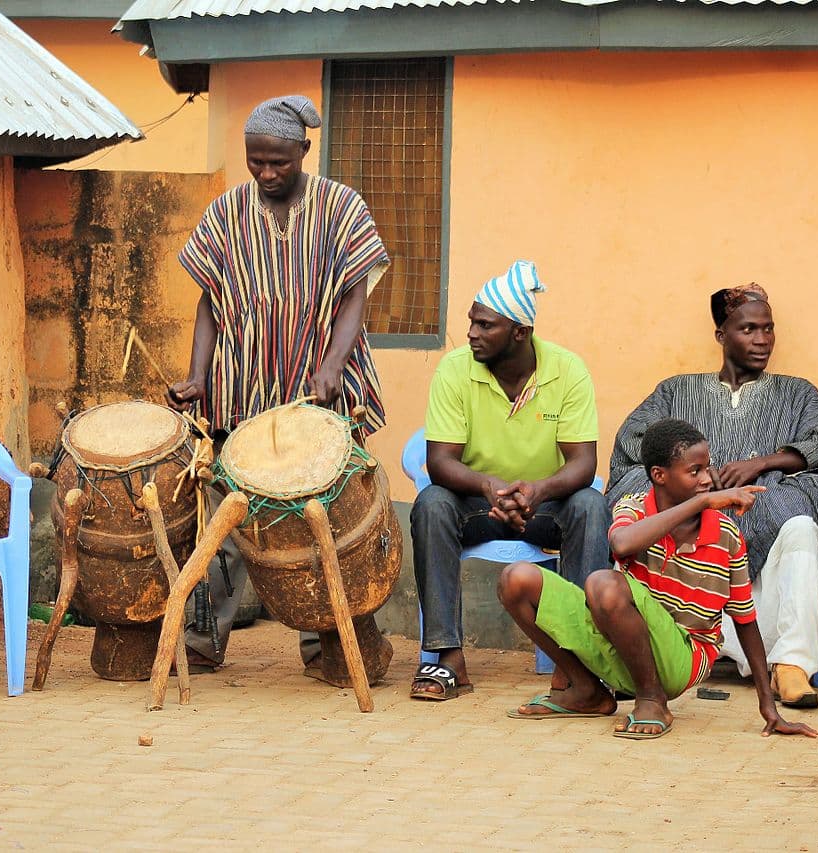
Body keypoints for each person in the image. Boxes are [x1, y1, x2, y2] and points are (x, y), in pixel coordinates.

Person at [167, 95, 390, 675]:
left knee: (323, 511)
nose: (266, 173)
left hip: (322, 386)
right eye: (256, 162)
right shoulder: (225, 213)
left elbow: (354, 297)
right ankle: (203, 636)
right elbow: (210, 302)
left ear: (303, 152)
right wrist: (198, 375)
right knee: (227, 507)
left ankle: (326, 641)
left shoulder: (341, 207)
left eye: (279, 163)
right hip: (243, 385)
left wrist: (334, 364)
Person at [607, 284, 818, 709]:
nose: (762, 339)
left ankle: (791, 666)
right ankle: (651, 659)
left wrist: (762, 465)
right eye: (748, 329)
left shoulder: (797, 393)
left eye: (768, 329)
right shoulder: (676, 391)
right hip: (692, 569)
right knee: (640, 506)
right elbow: (634, 447)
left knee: (802, 528)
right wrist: (696, 491)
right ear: (721, 335)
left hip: (766, 562)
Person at [499, 418, 818, 739]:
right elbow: (621, 544)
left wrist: (768, 706)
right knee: (516, 578)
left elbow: (745, 621)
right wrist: (702, 501)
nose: (707, 479)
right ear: (659, 476)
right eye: (695, 471)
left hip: (681, 658)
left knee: (602, 585)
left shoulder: (725, 534)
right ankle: (586, 691)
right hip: (620, 647)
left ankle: (652, 699)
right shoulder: (634, 508)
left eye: (708, 469)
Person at [409, 260, 611, 700]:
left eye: (485, 325)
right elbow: (440, 461)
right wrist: (489, 487)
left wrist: (538, 491)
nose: (471, 333)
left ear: (520, 332)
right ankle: (445, 659)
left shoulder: (567, 370)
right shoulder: (455, 369)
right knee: (431, 503)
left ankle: (578, 660)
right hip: (478, 502)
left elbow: (584, 464)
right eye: (472, 322)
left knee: (591, 505)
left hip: (544, 505)